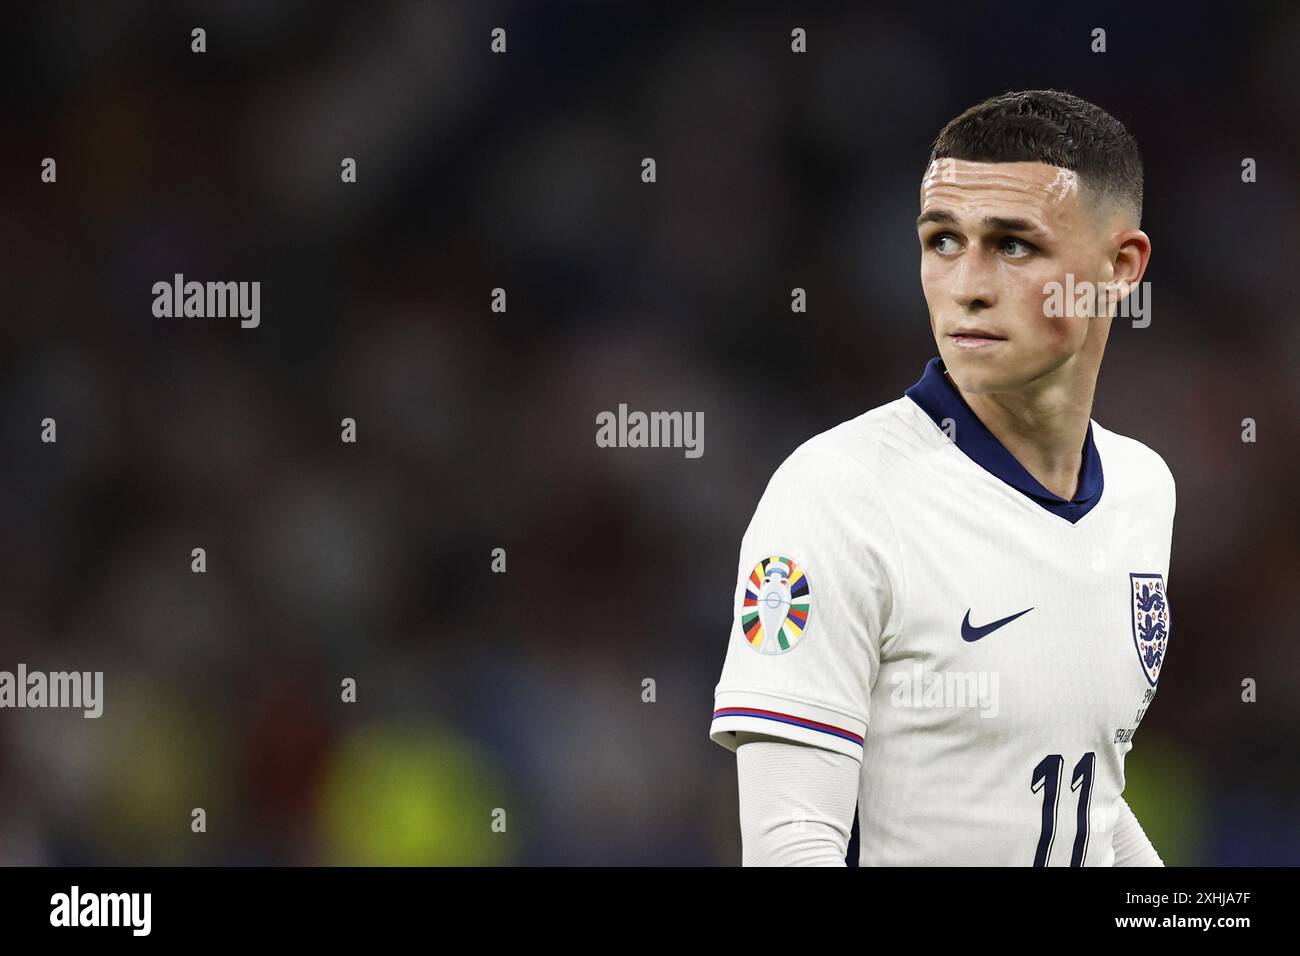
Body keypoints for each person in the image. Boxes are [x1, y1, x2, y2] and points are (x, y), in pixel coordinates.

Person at [709, 90, 1170, 866]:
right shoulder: (838, 494)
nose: (967, 284)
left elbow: (1088, 799)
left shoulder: (1142, 488)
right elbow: (792, 843)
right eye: (943, 240)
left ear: (1118, 269)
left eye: (1014, 245)